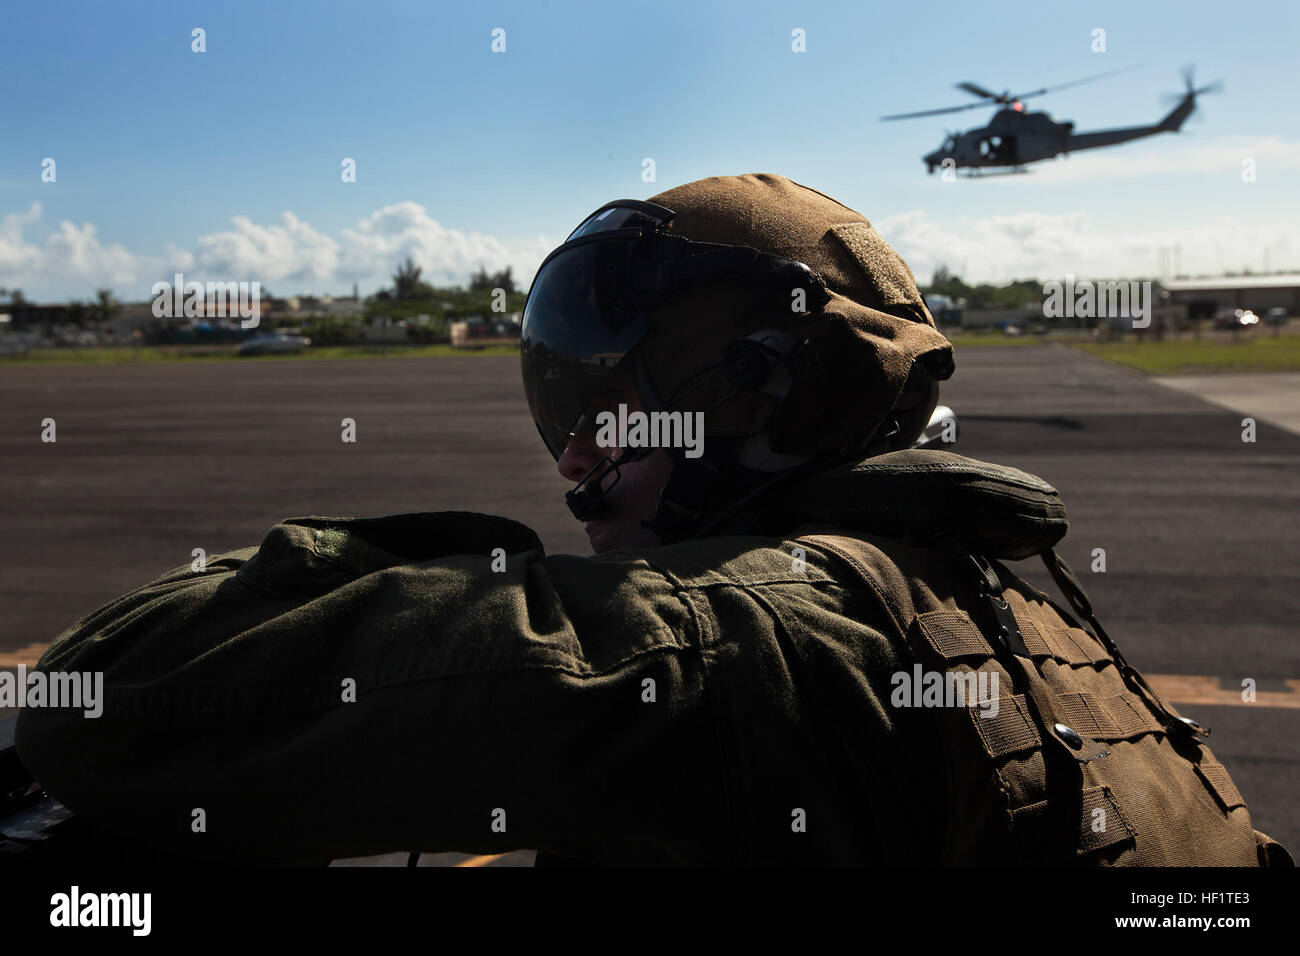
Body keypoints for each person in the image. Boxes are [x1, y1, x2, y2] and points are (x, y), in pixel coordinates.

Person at [15, 174, 1290, 866]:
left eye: (607, 405)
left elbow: (111, 695)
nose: (571, 449)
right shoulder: (1012, 595)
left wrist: (440, 557)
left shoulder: (742, 641)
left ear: (763, 395)